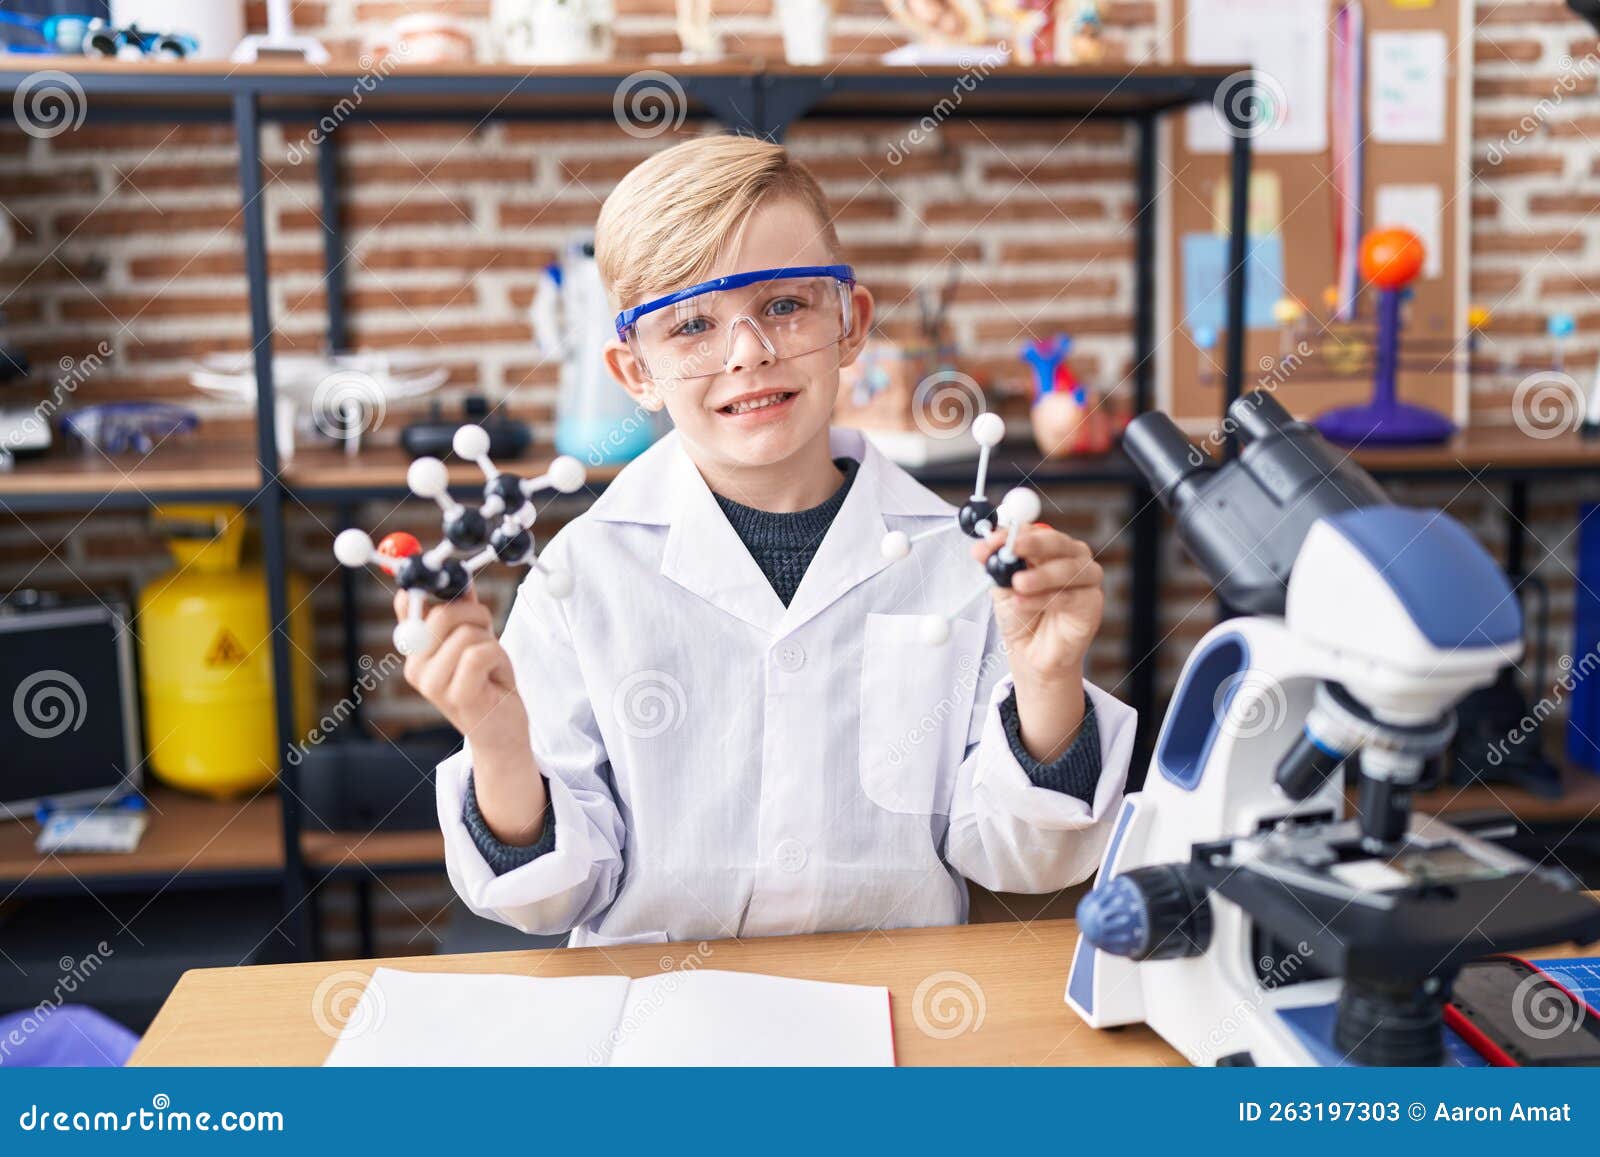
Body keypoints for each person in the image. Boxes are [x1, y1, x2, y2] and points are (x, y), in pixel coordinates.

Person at [401, 135, 1135, 948]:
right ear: (634, 371)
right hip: (664, 1029)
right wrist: (499, 744)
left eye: (785, 306)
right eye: (690, 326)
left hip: (893, 1012)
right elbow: (549, 899)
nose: (749, 351)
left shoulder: (963, 562)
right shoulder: (582, 576)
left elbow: (1026, 858)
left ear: (851, 323)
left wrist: (1048, 682)